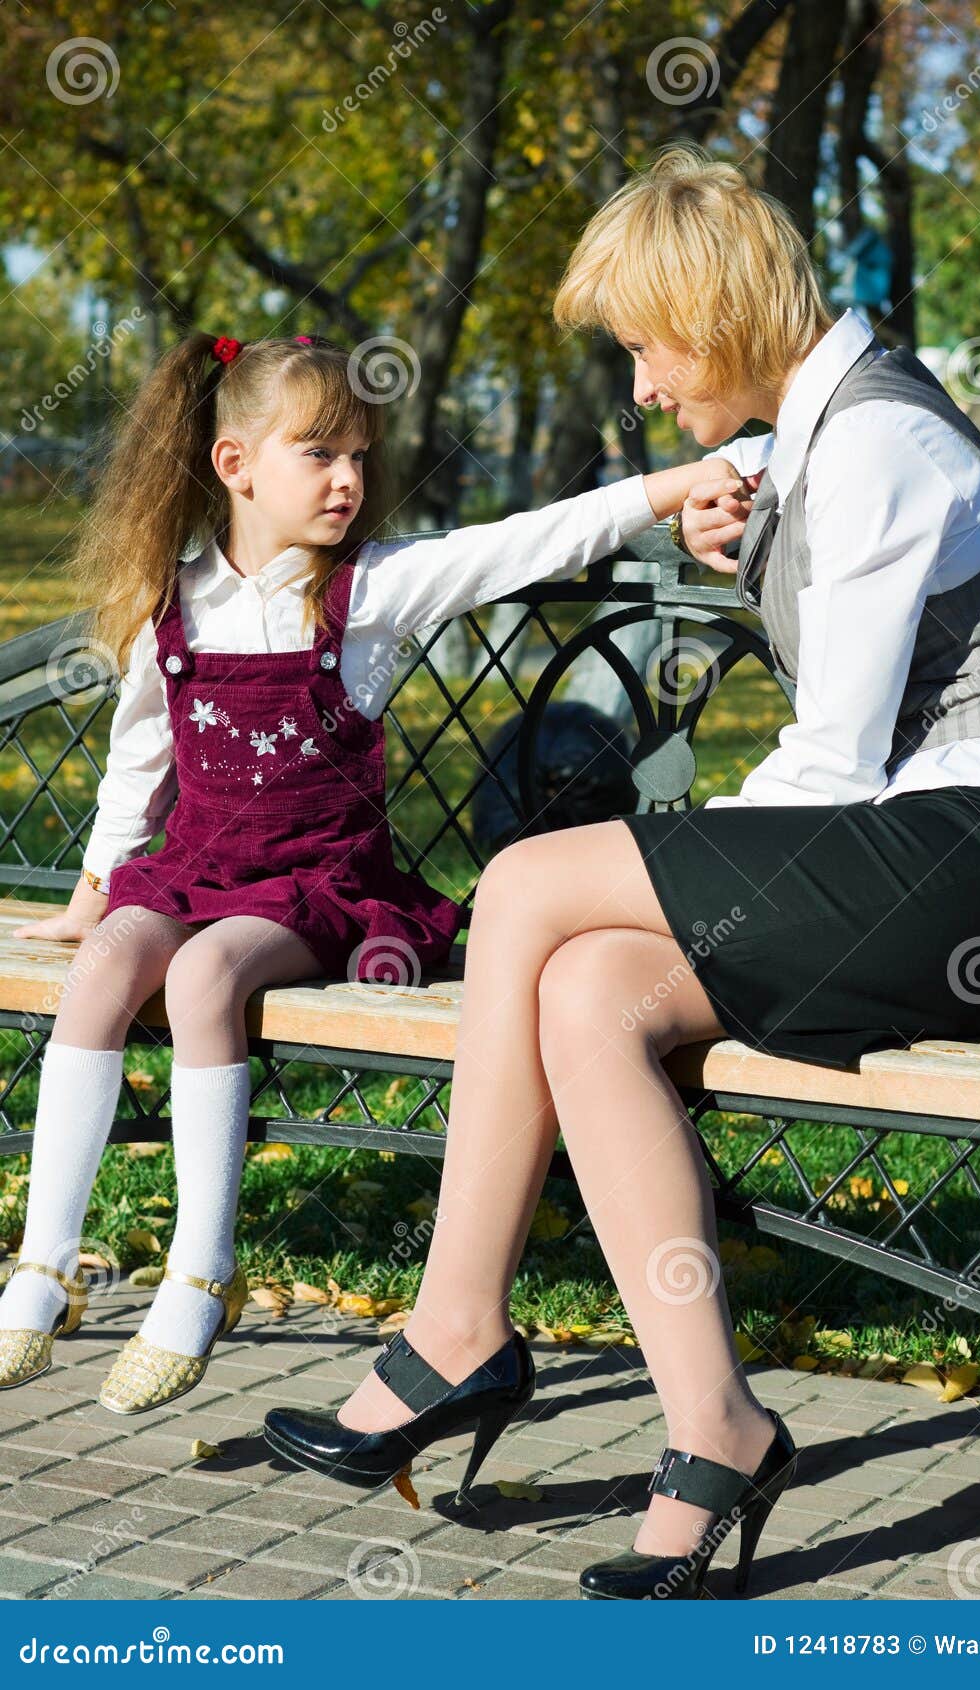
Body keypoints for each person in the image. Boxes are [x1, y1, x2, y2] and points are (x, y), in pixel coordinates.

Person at [264, 149, 980, 1602]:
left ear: (714, 310)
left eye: (642, 344)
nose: (636, 384)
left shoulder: (877, 438)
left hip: (978, 861)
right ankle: (716, 1424)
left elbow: (828, 763)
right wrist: (742, 532)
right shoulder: (826, 438)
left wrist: (665, 858)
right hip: (918, 848)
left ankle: (454, 1325)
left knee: (522, 886)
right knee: (583, 991)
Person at [0, 327, 720, 1416]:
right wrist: (98, 890)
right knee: (106, 965)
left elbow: (530, 538)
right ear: (236, 465)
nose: (349, 478)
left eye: (360, 454)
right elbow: (138, 759)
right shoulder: (173, 602)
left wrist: (675, 486)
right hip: (192, 873)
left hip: (318, 889)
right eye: (319, 452)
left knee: (201, 982)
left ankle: (202, 1266)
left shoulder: (370, 592)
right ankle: (42, 1269)